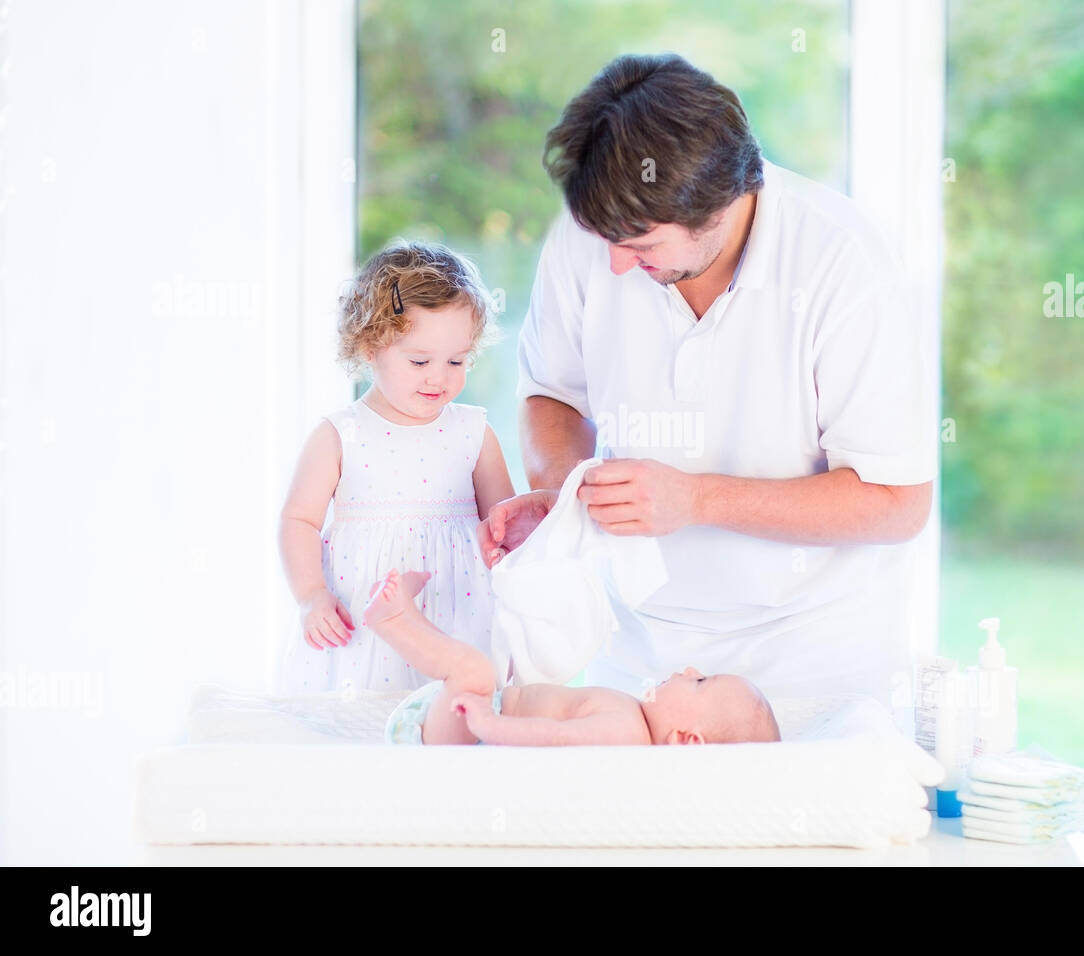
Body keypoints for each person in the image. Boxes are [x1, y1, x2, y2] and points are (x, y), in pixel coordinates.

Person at [480, 53, 937, 707]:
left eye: (640, 244)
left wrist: (695, 501)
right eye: (602, 236)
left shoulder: (844, 262)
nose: (612, 262)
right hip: (635, 661)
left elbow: (897, 502)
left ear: (719, 204)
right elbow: (551, 393)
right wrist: (568, 502)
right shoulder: (596, 233)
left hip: (813, 668)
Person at [277, 241, 515, 692]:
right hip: (361, 621)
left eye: (457, 361)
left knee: (454, 723)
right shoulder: (341, 434)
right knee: (365, 733)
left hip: (458, 617)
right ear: (370, 347)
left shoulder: (473, 432)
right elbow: (299, 521)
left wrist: (504, 546)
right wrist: (311, 596)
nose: (439, 376)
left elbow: (504, 518)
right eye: (420, 360)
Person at [366, 569, 781, 745]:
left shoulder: (624, 734)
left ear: (688, 740)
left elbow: (556, 738)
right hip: (471, 722)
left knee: (474, 672)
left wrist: (492, 725)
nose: (689, 670)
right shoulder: (631, 717)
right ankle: (406, 615)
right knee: (476, 671)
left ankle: (395, 619)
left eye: (700, 682)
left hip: (470, 736)